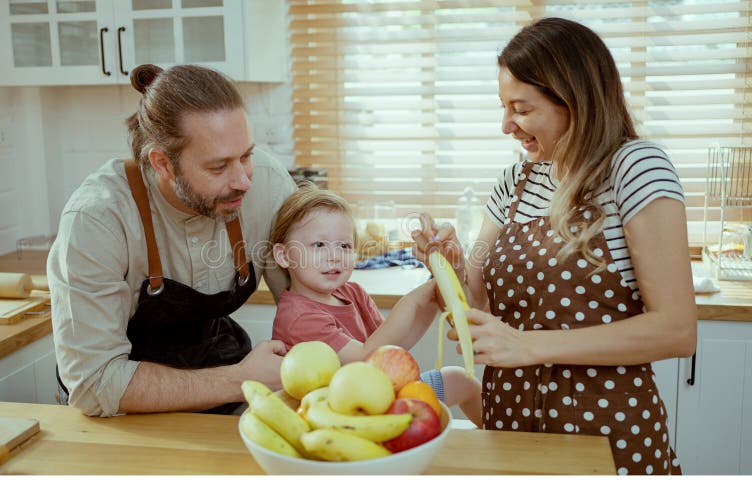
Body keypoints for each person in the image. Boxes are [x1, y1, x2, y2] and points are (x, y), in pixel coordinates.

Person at [411, 18, 697, 475]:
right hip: (509, 425)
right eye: (504, 107)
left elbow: (677, 329)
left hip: (605, 431)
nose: (507, 125)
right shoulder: (514, 183)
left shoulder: (634, 167)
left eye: (521, 109)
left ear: (573, 101)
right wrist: (447, 264)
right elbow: (476, 306)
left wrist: (529, 345)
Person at [48, 64, 297, 417]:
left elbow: (309, 305)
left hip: (220, 374)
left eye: (246, 156)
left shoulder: (268, 185)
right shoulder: (97, 219)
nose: (243, 180)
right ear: (163, 164)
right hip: (118, 413)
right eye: (218, 166)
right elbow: (94, 382)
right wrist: (241, 379)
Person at [270, 182, 483, 424]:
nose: (334, 255)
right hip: (343, 417)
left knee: (462, 381)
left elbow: (392, 348)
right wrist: (413, 300)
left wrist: (435, 292)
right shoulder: (299, 317)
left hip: (378, 394)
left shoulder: (353, 292)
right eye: (319, 245)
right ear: (284, 255)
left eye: (344, 245)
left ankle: (500, 441)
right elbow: (365, 359)